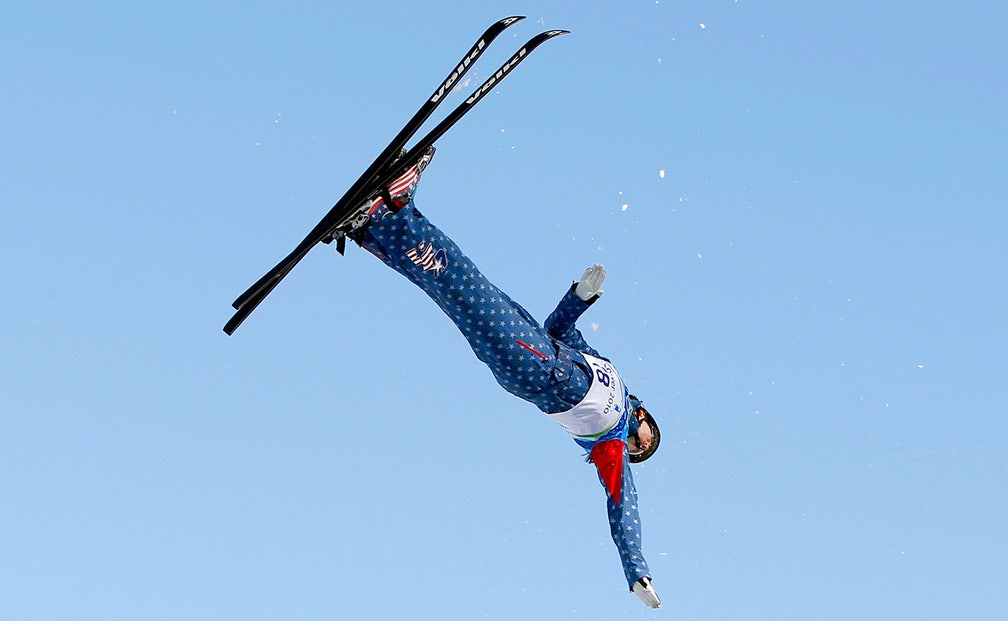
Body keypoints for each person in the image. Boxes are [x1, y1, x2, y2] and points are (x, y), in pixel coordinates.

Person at [344, 147, 662, 608]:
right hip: (539, 340)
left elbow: (622, 508)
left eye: (640, 451)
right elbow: (562, 331)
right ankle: (375, 229)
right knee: (456, 284)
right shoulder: (615, 380)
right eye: (646, 437)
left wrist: (636, 569)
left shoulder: (610, 445)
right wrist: (580, 298)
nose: (639, 443)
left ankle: (395, 208)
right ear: (647, 415)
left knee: (460, 284)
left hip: (535, 369)